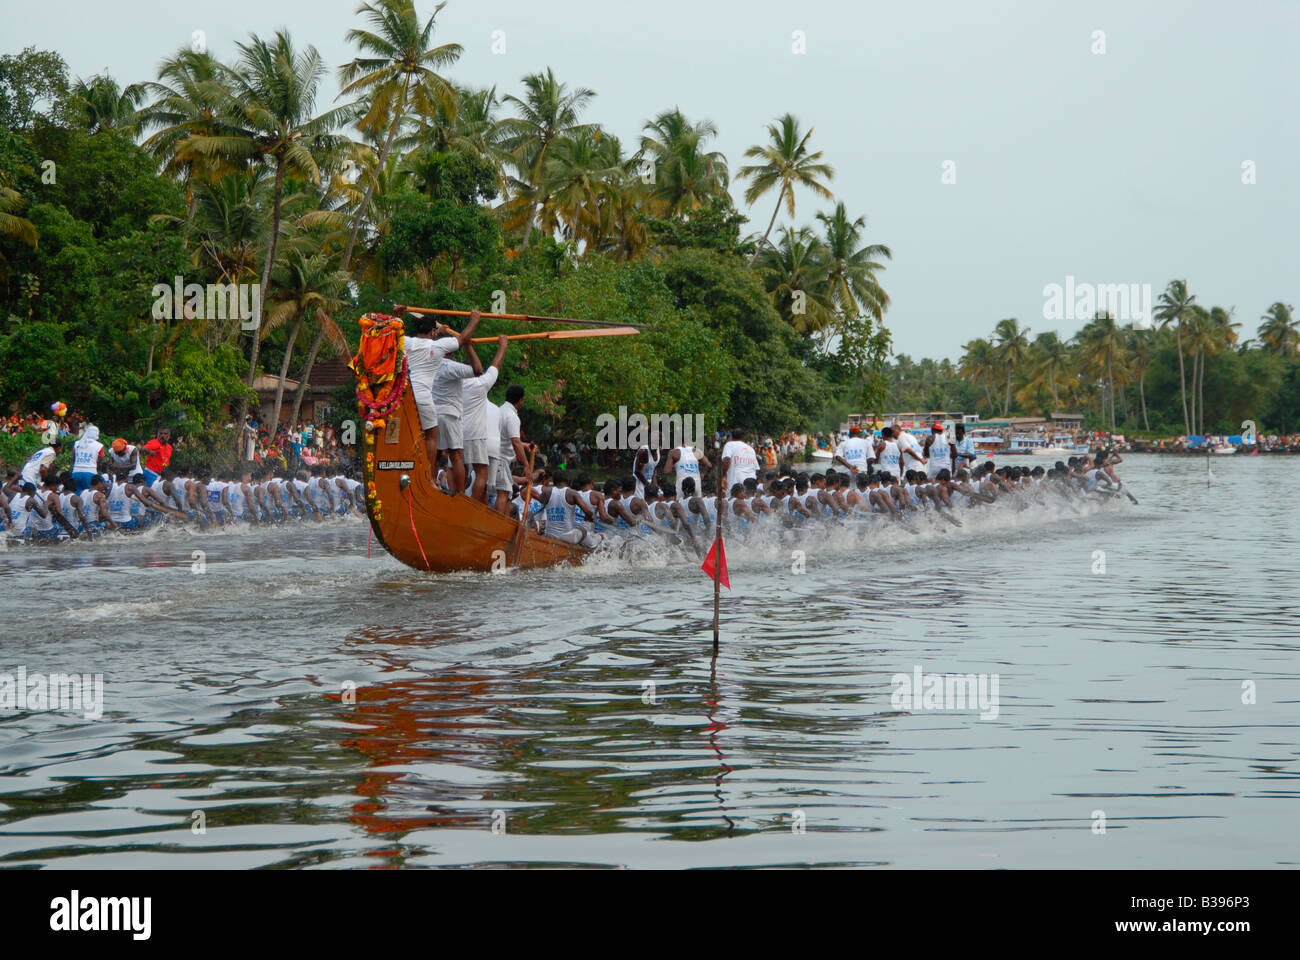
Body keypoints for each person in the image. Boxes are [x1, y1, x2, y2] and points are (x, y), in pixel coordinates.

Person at [402, 309, 481, 487]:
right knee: (431, 438)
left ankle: (414, 473)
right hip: (423, 396)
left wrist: (397, 316)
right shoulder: (437, 347)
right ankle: (429, 479)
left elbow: (392, 333)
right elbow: (462, 339)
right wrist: (474, 320)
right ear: (432, 332)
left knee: (414, 436)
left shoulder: (407, 342)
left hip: (406, 396)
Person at [462, 334, 509, 503]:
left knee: (460, 470)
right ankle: (471, 505)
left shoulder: (453, 383)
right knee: (482, 473)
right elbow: (495, 366)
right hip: (477, 437)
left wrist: (467, 346)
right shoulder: (480, 385)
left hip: (458, 434)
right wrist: (502, 346)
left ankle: (458, 500)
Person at [495, 384, 532, 515]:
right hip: (501, 459)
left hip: (493, 456)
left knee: (500, 491)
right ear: (520, 400)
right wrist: (526, 466)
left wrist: (524, 445)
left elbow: (506, 438)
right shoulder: (511, 416)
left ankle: (501, 520)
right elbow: (515, 442)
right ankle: (499, 522)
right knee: (503, 492)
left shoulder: (499, 410)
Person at [720, 429, 759, 494]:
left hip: (735, 484)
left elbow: (727, 460)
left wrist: (723, 475)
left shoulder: (729, 445)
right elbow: (756, 469)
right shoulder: (751, 449)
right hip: (751, 485)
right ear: (743, 437)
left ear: (731, 436)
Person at [71, 424, 104, 491]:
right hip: (90, 473)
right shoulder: (100, 446)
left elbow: (73, 459)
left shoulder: (77, 443)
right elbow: (99, 461)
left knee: (76, 493)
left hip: (76, 472)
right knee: (89, 494)